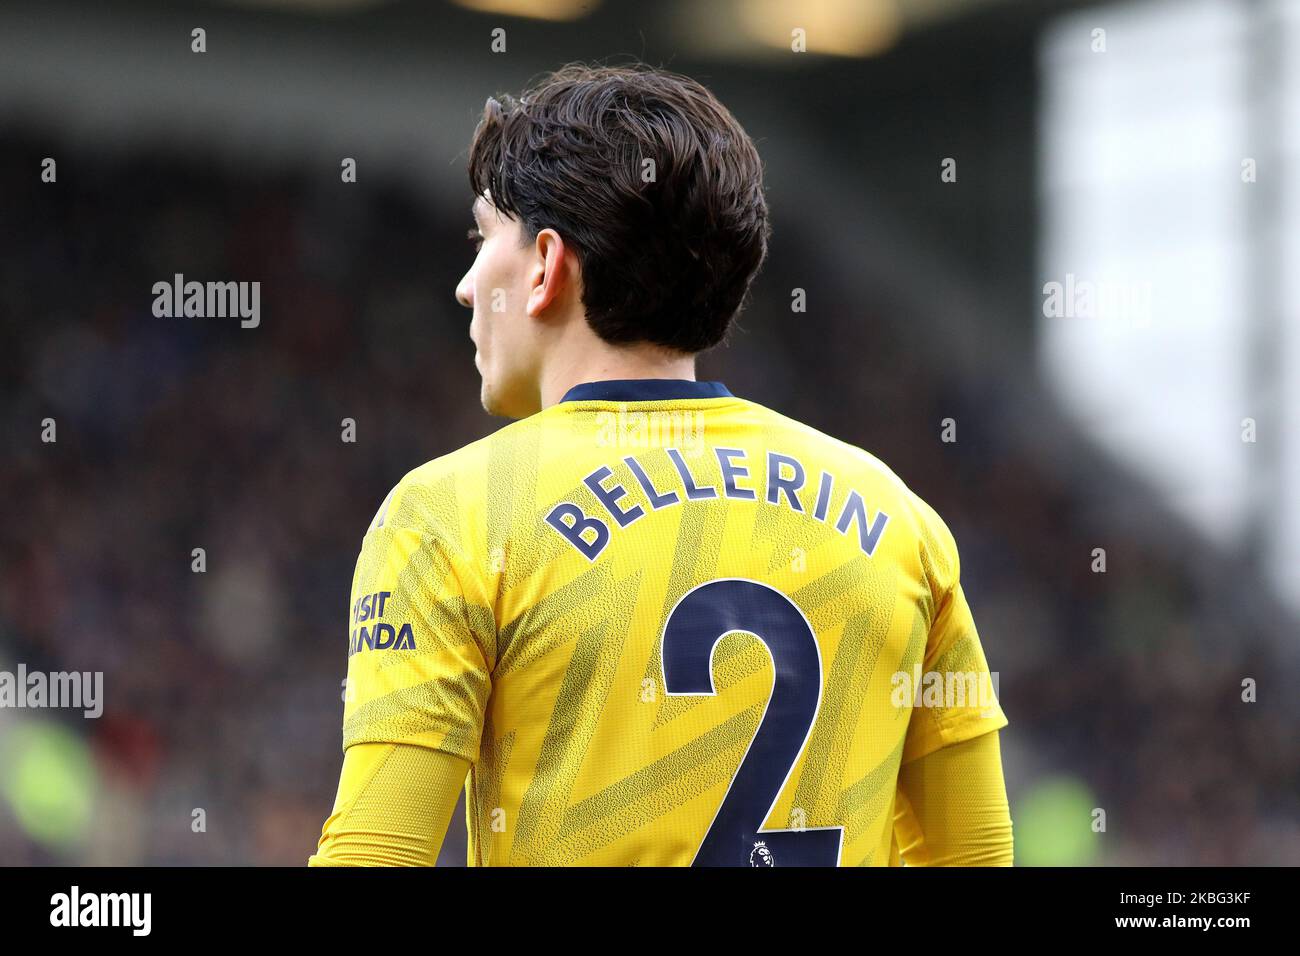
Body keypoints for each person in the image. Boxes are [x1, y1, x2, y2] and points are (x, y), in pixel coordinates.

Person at [310, 62, 1012, 867]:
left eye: (482, 238)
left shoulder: (448, 515)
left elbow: (376, 854)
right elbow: (975, 855)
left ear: (543, 266)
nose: (468, 286)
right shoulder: (899, 519)